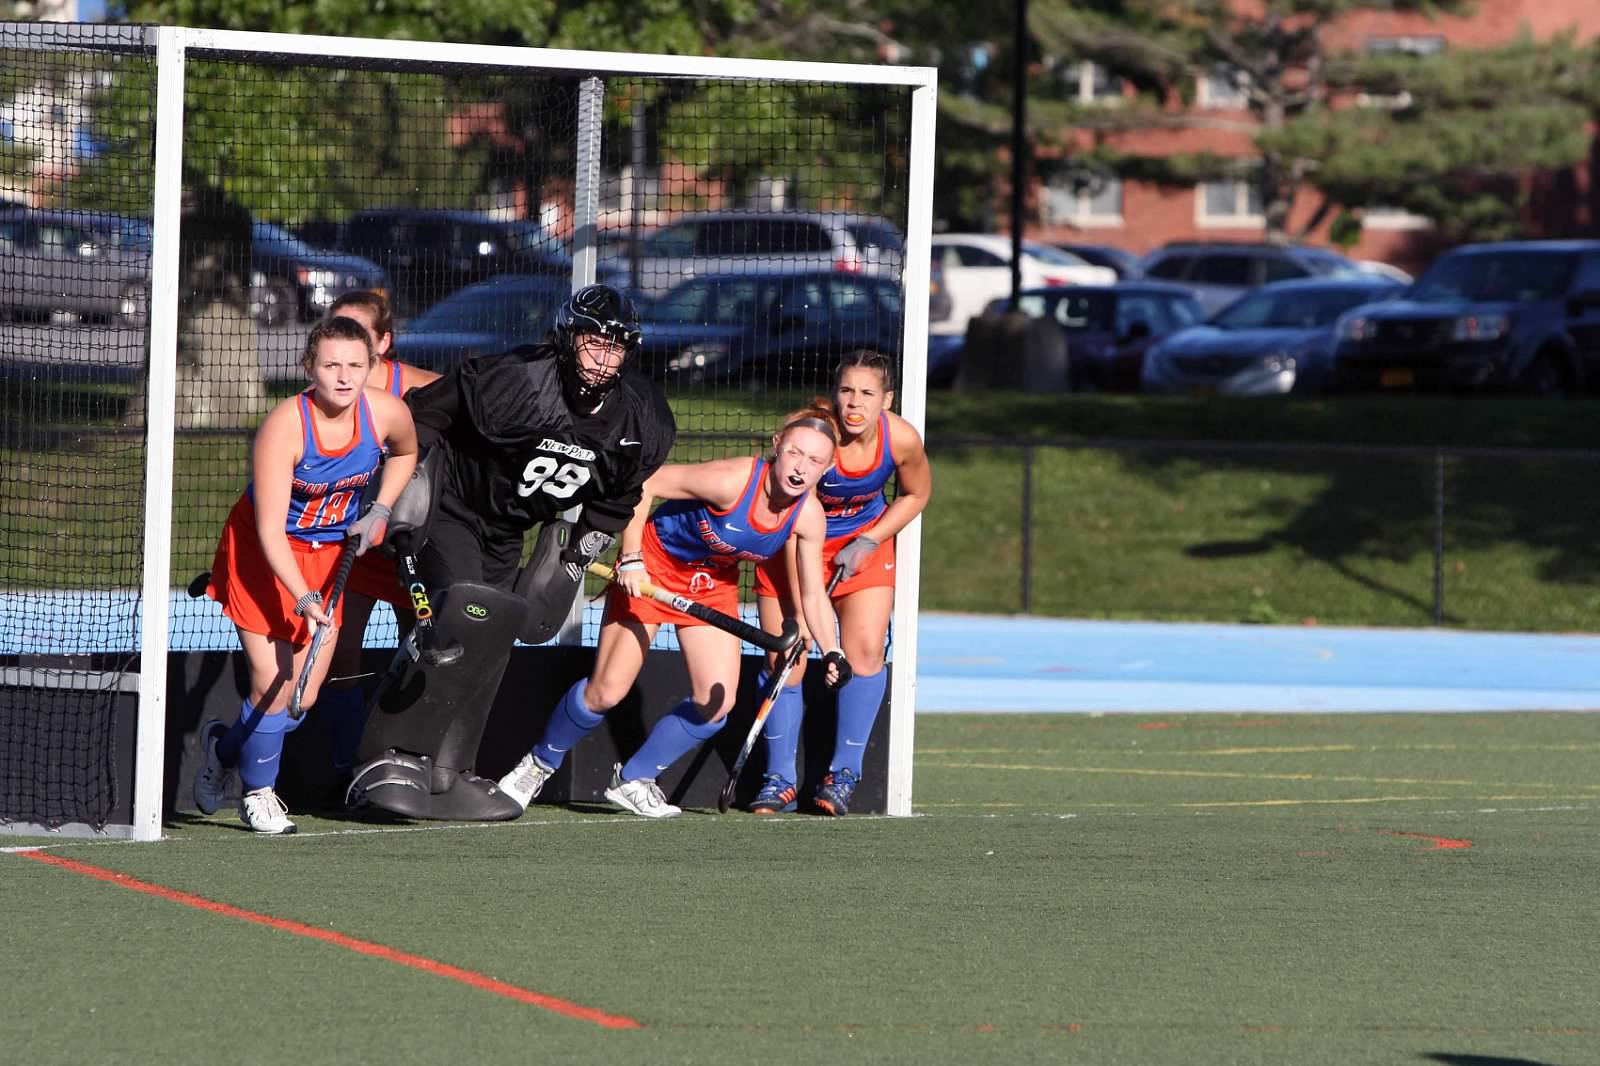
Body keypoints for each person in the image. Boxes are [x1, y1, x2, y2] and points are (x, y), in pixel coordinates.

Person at [348, 284, 677, 819]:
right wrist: (409, 491)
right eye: (594, 341)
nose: (603, 356)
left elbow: (619, 498)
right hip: (455, 505)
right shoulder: (513, 378)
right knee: (461, 619)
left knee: (494, 641)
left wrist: (574, 557)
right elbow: (424, 415)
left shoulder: (640, 420)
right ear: (568, 339)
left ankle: (448, 770)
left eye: (615, 347)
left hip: (511, 526)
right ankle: (387, 759)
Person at [496, 406, 853, 818]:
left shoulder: (808, 516)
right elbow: (645, 485)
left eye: (814, 461)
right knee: (607, 690)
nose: (800, 467)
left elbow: (811, 594)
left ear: (827, 469)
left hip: (712, 580)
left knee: (715, 703)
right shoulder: (731, 481)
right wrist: (630, 558)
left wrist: (832, 651)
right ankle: (539, 763)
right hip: (654, 561)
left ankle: (634, 779)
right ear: (777, 447)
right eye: (795, 453)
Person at [193, 315, 419, 833]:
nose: (344, 376)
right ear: (308, 368)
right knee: (273, 682)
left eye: (356, 365)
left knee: (301, 700)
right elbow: (270, 531)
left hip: (330, 556)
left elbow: (407, 453)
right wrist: (302, 597)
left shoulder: (385, 412)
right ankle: (259, 794)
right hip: (263, 556)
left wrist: (381, 508)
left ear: (372, 366)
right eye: (331, 365)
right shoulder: (285, 426)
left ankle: (223, 749)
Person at [749, 350, 932, 815]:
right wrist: (806, 613)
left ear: (886, 399)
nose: (855, 403)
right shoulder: (810, 435)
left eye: (868, 393)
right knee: (786, 655)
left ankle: (844, 773)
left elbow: (917, 494)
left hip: (860, 550)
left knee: (866, 649)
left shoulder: (901, 439)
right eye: (847, 390)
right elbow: (786, 517)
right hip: (790, 546)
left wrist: (869, 540)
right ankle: (779, 780)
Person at [313, 291, 440, 786]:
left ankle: (408, 758)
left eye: (359, 334)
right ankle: (346, 768)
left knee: (423, 649)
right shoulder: (326, 394)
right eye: (336, 328)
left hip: (411, 545)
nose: (345, 347)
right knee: (340, 653)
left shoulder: (421, 389)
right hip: (356, 542)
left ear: (384, 343)